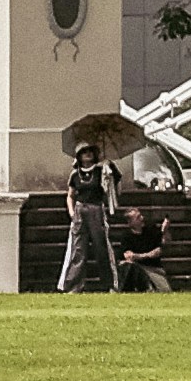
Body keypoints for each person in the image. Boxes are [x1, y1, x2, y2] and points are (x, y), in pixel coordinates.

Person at [56, 127, 119, 298]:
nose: (88, 155)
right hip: (80, 209)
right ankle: (73, 285)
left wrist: (108, 167)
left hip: (96, 209)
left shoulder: (100, 171)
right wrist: (71, 212)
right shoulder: (75, 175)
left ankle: (109, 284)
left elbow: (113, 185)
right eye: (84, 153)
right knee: (78, 249)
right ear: (79, 157)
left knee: (102, 248)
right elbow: (70, 195)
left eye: (90, 152)